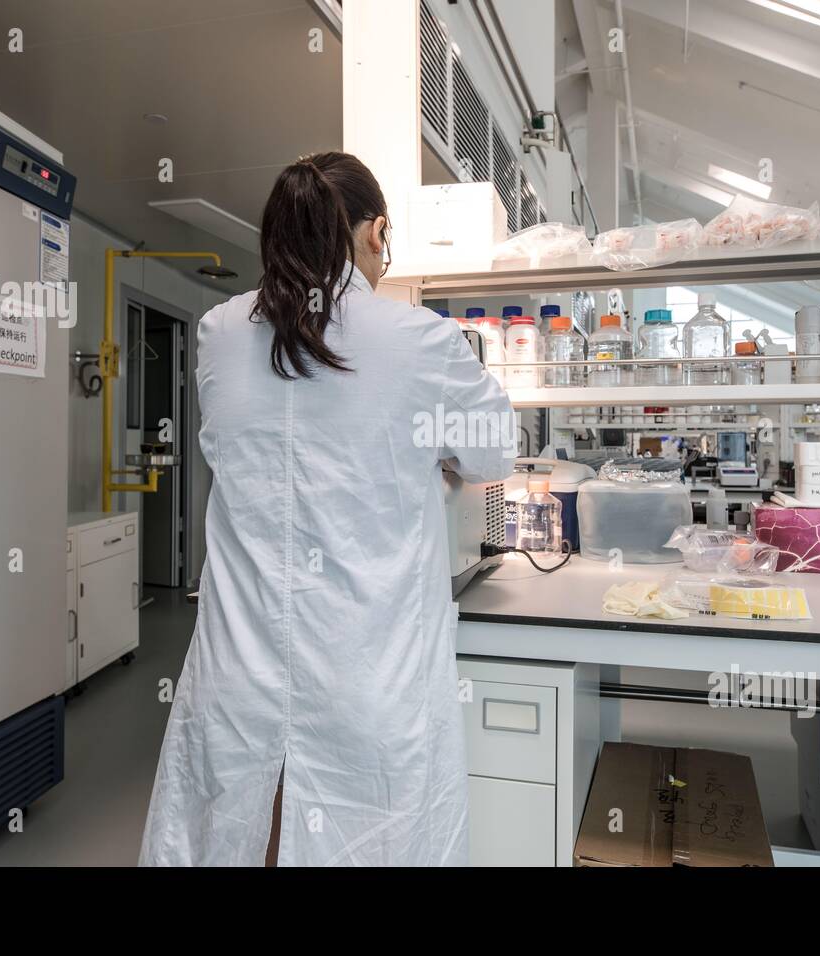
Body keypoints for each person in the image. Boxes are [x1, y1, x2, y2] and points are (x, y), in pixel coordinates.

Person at [138, 151, 515, 866]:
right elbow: (495, 456)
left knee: (239, 837)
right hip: (366, 674)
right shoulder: (420, 340)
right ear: (377, 234)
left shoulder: (218, 332)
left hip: (238, 672)